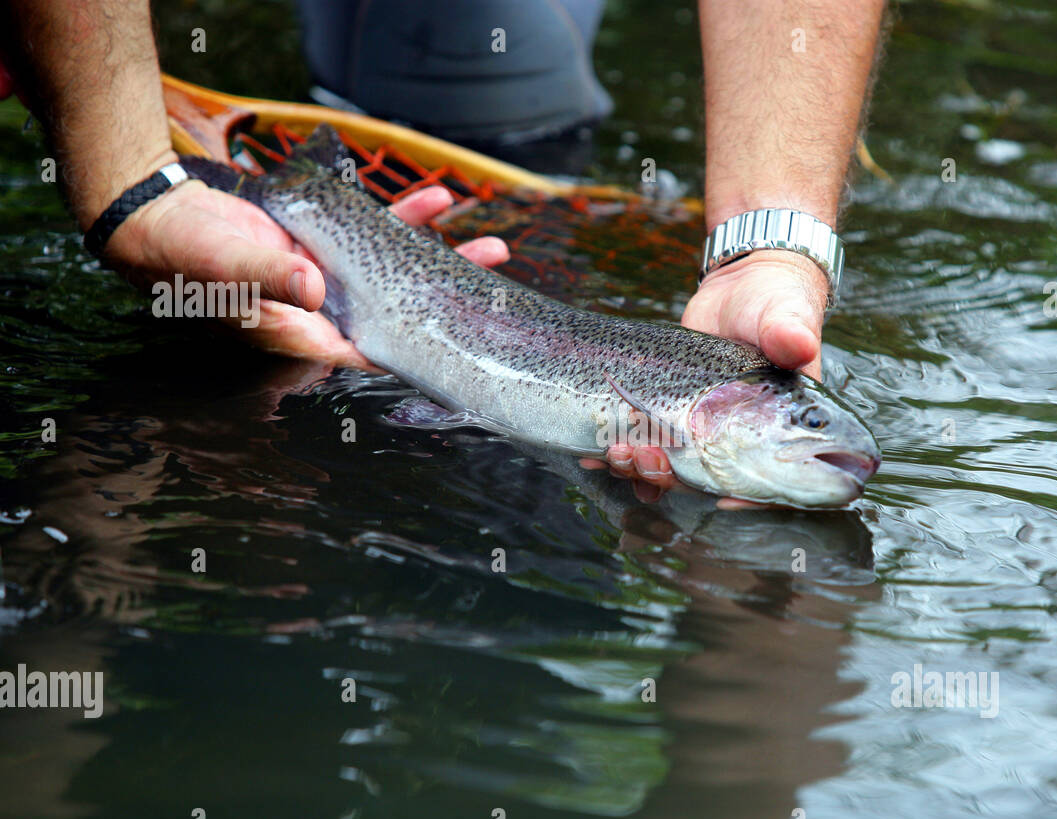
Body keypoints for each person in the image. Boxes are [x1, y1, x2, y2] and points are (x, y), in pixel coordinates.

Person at [0, 0, 886, 500]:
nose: (832, 444)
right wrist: (129, 185)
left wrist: (768, 250)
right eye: (804, 421)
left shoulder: (699, 415)